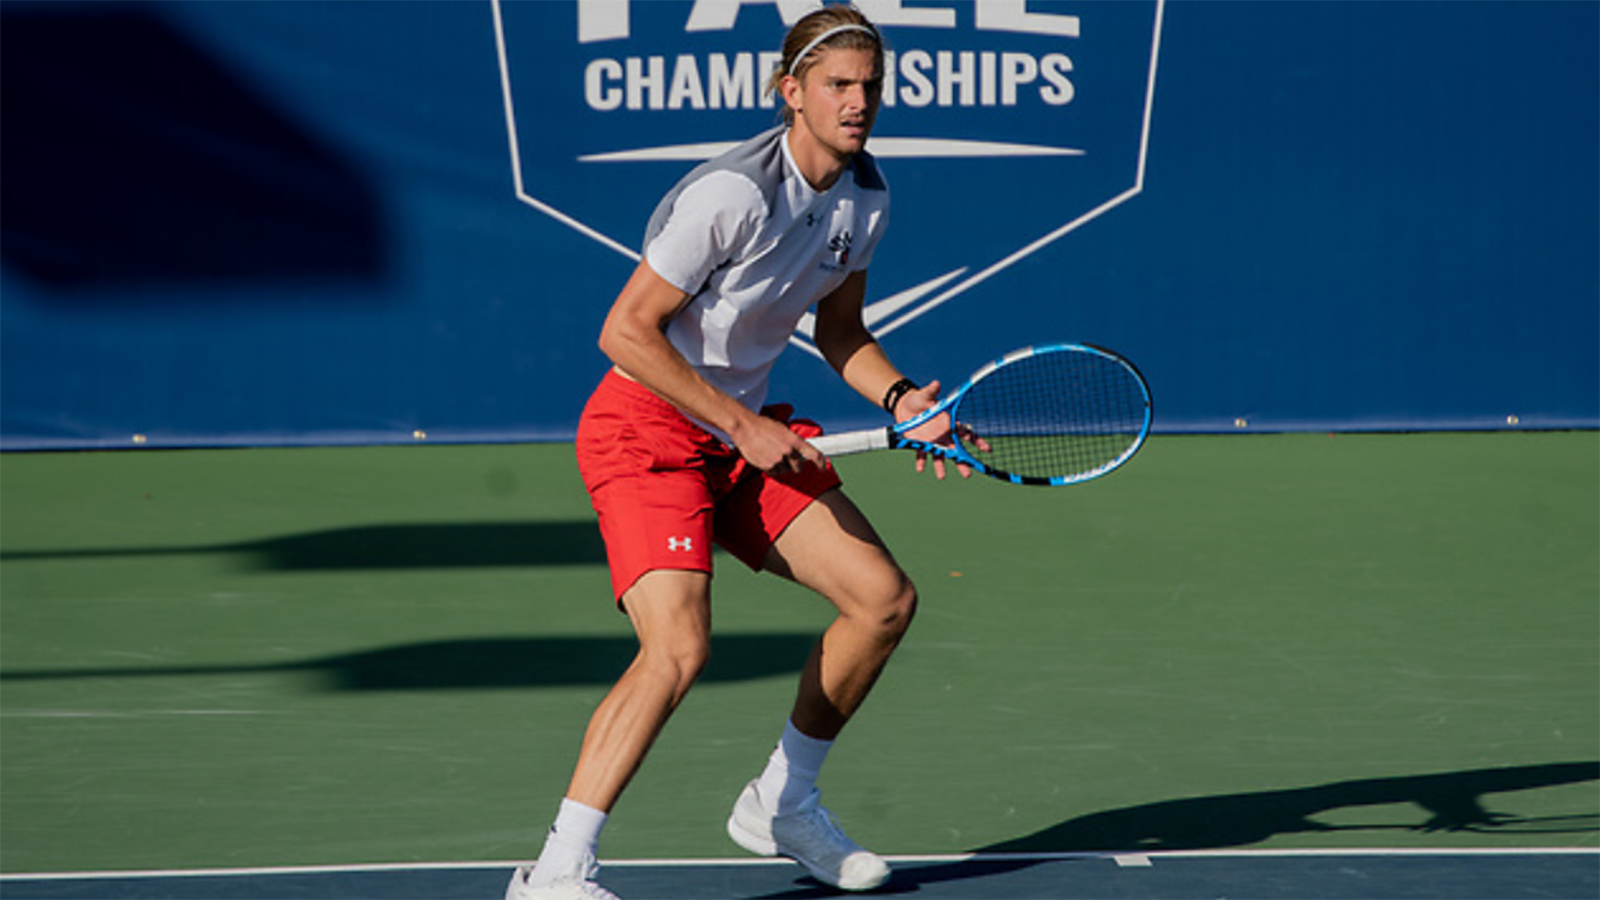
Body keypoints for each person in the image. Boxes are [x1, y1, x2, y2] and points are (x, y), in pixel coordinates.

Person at [506, 6, 965, 898]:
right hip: (648, 430)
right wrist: (742, 424)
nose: (859, 101)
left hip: (743, 439)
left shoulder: (864, 198)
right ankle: (557, 870)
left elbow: (841, 333)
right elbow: (626, 332)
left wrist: (906, 398)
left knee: (882, 601)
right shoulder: (733, 193)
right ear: (791, 92)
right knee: (676, 648)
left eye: (870, 84)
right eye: (838, 84)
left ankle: (783, 802)